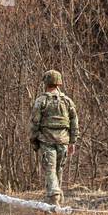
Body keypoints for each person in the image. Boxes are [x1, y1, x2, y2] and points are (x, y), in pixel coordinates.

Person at [30, 69, 79, 205]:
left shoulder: (41, 101)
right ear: (59, 83)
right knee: (58, 169)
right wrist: (72, 141)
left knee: (50, 169)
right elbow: (74, 122)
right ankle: (56, 196)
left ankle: (54, 196)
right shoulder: (68, 101)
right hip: (63, 140)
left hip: (47, 140)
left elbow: (34, 122)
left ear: (46, 83)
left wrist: (33, 139)